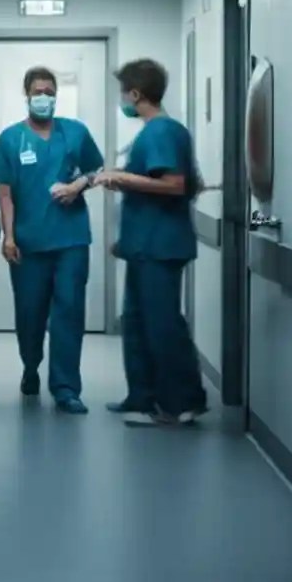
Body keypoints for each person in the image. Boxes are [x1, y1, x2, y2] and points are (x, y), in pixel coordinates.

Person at [0, 66, 104, 414]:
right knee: (30, 313)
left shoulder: (75, 133)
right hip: (29, 242)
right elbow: (4, 194)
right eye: (38, 92)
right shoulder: (10, 139)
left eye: (50, 92)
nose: (45, 98)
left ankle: (66, 387)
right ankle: (31, 366)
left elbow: (94, 171)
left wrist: (76, 186)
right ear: (27, 94)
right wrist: (8, 236)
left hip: (71, 241)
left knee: (69, 312)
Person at [96, 58, 208, 426]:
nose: (121, 100)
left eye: (123, 93)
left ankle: (179, 404)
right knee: (138, 322)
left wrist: (122, 178)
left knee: (161, 325)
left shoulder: (161, 132)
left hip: (160, 246)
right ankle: (142, 397)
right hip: (145, 245)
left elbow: (175, 184)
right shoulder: (155, 132)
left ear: (136, 93)